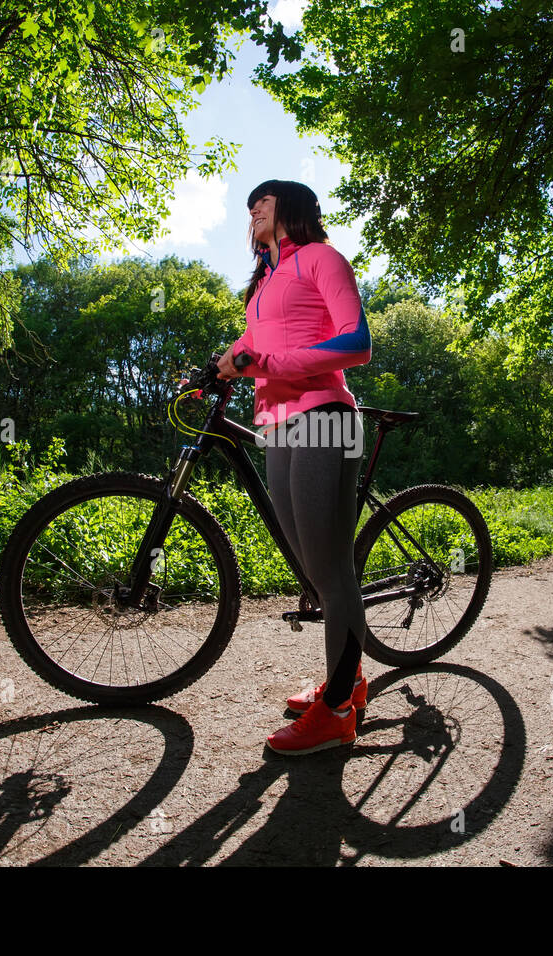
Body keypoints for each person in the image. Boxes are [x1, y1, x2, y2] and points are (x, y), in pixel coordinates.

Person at [216, 179, 372, 755]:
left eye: (264, 198)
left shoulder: (322, 259)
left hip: (323, 417)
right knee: (311, 568)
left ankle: (334, 713)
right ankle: (348, 679)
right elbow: (251, 344)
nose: (252, 207)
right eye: (249, 203)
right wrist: (216, 368)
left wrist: (270, 361)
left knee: (332, 572)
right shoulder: (262, 285)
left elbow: (357, 342)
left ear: (294, 208)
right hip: (277, 423)